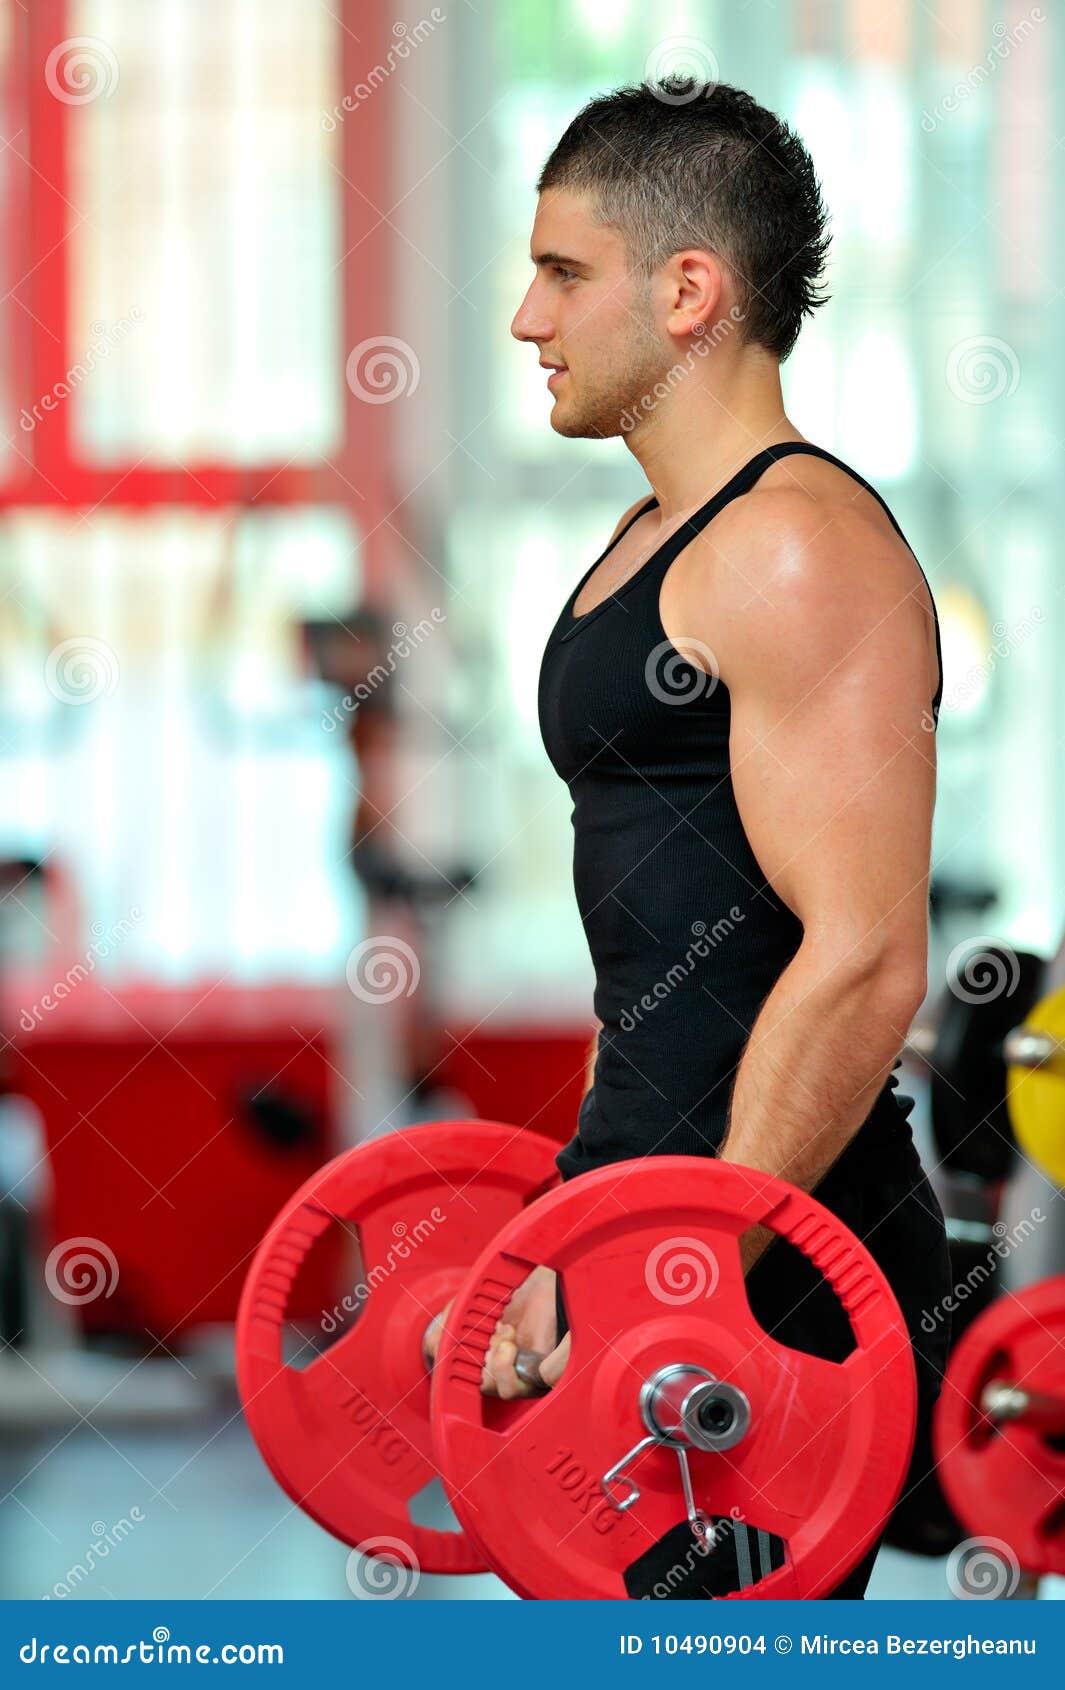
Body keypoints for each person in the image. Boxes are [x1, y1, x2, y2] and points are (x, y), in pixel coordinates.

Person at [427, 77, 952, 1599]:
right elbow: (656, 957)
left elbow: (861, 959)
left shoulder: (792, 547)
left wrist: (687, 1266)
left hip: (770, 1267)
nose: (527, 317)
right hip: (665, 1230)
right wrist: (575, 1222)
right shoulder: (653, 540)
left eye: (563, 272)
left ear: (688, 291)